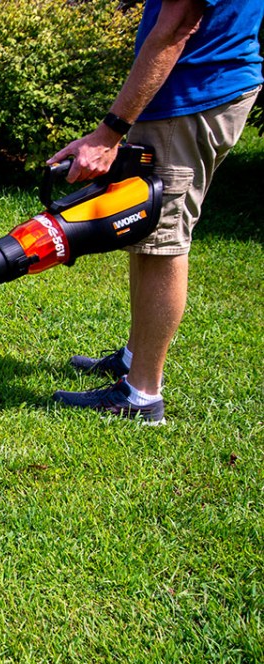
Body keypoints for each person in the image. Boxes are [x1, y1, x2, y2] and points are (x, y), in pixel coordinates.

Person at [48, 0, 263, 425]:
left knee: (163, 240)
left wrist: (109, 133)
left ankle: (142, 395)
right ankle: (133, 358)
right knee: (146, 232)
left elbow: (177, 24)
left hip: (192, 92)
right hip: (197, 87)